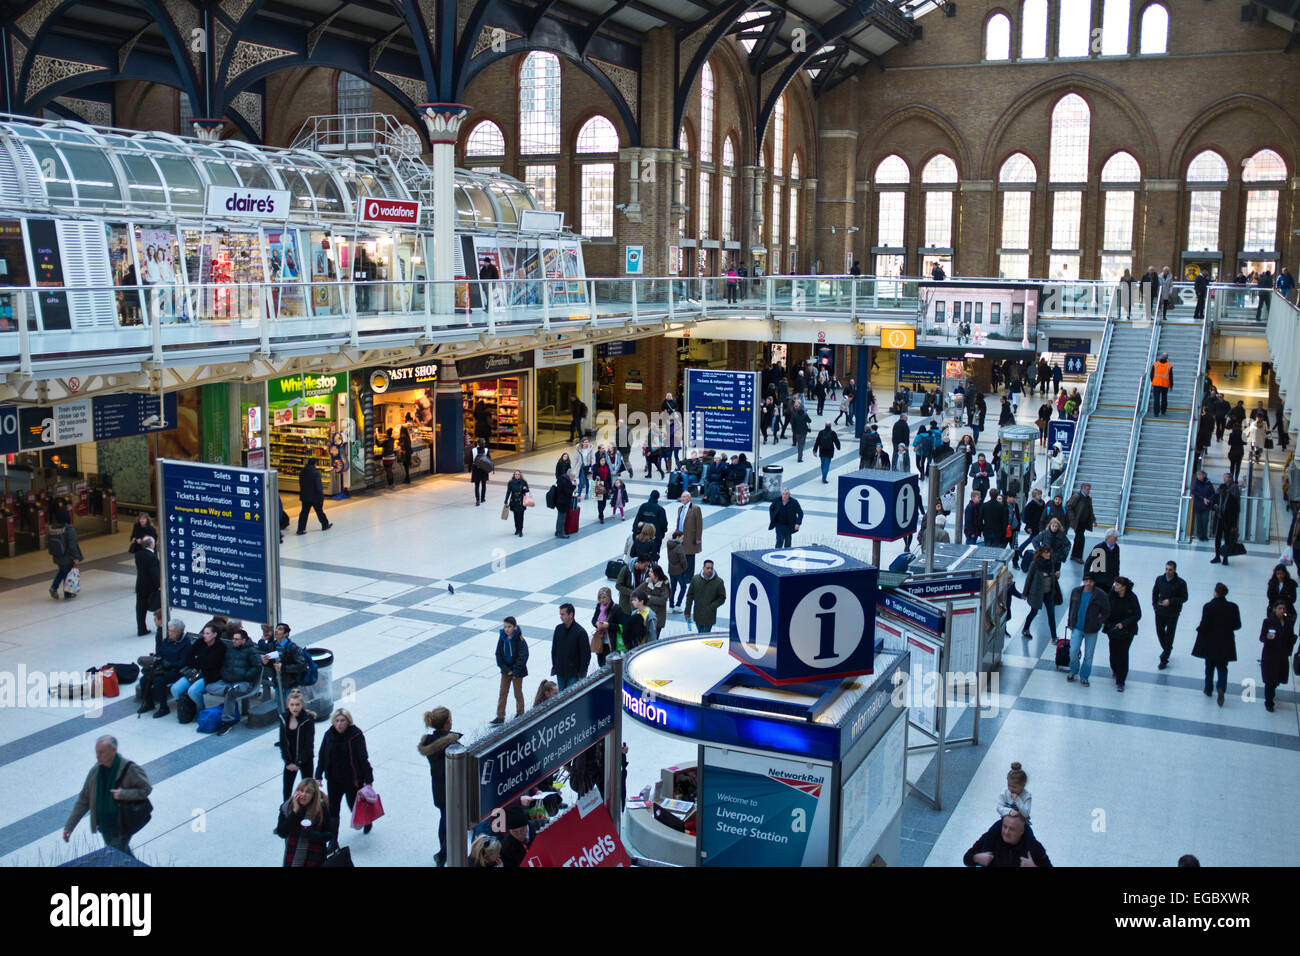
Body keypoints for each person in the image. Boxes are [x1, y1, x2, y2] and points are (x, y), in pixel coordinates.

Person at [63, 735, 153, 858]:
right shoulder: (96, 771)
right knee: (121, 853)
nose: (97, 756)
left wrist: (124, 794)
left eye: (101, 752)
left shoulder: (129, 769)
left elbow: (146, 789)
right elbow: (84, 799)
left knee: (116, 854)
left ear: (113, 751)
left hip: (122, 823)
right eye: (96, 752)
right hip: (104, 824)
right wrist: (69, 826)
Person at [317, 708, 375, 833]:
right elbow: (322, 756)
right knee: (333, 810)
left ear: (348, 721)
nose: (339, 724)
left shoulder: (355, 735)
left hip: (352, 780)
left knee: (353, 806)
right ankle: (333, 841)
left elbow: (363, 758)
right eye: (337, 721)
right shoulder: (328, 735)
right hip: (334, 780)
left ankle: (366, 821)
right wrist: (318, 775)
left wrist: (368, 778)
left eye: (343, 721)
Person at [419, 707, 462, 865]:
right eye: (450, 719)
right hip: (452, 789)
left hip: (438, 788)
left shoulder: (430, 743)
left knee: (444, 818)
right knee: (451, 821)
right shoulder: (451, 746)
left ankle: (442, 851)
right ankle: (444, 853)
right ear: (446, 723)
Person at [204, 627, 261, 734]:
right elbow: (224, 665)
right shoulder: (230, 649)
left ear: (243, 640)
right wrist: (224, 674)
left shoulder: (251, 651)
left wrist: (245, 676)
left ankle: (227, 722)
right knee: (208, 686)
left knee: (231, 693)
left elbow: (257, 667)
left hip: (243, 682)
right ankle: (226, 689)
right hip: (227, 681)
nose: (233, 641)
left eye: (236, 639)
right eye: (233, 639)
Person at [1192, 582, 1241, 707]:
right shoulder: (1233, 607)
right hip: (1226, 642)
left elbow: (1204, 625)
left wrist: (1199, 630)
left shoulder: (1208, 606)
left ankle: (1208, 689)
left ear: (1215, 592)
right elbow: (1237, 625)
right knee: (1223, 667)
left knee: (1209, 666)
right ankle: (1221, 688)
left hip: (1210, 642)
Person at [275, 778, 336, 867]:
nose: (303, 795)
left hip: (314, 859)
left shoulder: (321, 809)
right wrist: (295, 811)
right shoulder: (287, 808)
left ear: (313, 795)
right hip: (292, 858)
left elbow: (330, 834)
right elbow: (281, 832)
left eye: (308, 792)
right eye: (301, 790)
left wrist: (311, 834)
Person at [170, 623, 225, 718]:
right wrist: (198, 661)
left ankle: (200, 708)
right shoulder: (200, 642)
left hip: (209, 676)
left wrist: (198, 659)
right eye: (204, 633)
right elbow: (189, 657)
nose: (205, 636)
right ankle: (188, 705)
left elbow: (211, 663)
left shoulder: (220, 647)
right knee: (175, 689)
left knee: (193, 691)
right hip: (194, 672)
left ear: (214, 634)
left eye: (208, 633)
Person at [1066, 573, 1111, 687]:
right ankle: (1074, 670)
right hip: (1077, 627)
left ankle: (1084, 676)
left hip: (1091, 629)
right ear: (1083, 581)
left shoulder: (1100, 595)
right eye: (1086, 581)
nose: (1088, 583)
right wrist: (1070, 622)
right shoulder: (1076, 592)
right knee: (1073, 651)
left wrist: (1099, 622)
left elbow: (1106, 610)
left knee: (1089, 655)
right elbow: (1071, 607)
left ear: (1094, 582)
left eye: (1090, 581)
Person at [962, 810, 1051, 867]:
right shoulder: (989, 839)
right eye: (1004, 827)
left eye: (1012, 829)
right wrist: (976, 858)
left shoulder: (1035, 847)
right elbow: (966, 859)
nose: (1006, 832)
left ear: (1022, 831)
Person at [1103, 576, 1141, 692]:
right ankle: (1115, 669)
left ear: (1124, 587)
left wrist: (1123, 624)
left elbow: (1137, 615)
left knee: (1123, 654)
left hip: (1127, 631)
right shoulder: (1111, 595)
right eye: (1115, 584)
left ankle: (1121, 681)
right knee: (1113, 652)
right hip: (1113, 630)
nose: (1115, 586)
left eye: (1118, 585)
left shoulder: (1132, 598)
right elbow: (1105, 609)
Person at [278, 689, 316, 801]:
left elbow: (308, 745)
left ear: (302, 705)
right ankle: (287, 813)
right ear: (288, 705)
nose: (294, 708)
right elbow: (283, 742)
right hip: (290, 760)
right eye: (292, 705)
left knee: (308, 792)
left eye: (297, 705)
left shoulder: (307, 720)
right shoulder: (284, 718)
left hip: (305, 760)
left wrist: (299, 763)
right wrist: (288, 762)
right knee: (287, 791)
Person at [490, 617, 528, 724]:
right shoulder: (502, 639)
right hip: (506, 671)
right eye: (505, 627)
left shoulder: (520, 640)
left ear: (515, 627)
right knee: (503, 693)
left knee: (517, 693)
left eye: (509, 627)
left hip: (517, 672)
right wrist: (506, 669)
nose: (507, 629)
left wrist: (515, 671)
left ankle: (520, 713)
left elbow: (523, 656)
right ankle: (500, 716)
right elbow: (498, 655)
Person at [1259, 602, 1296, 713]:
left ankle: (1271, 696)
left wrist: (1289, 650)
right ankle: (1269, 702)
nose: (1282, 610)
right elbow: (1261, 637)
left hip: (1282, 655)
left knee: (1276, 679)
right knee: (1270, 680)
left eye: (1283, 608)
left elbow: (1290, 637)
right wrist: (1267, 637)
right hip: (1270, 655)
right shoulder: (1268, 622)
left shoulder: (1288, 623)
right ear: (1275, 609)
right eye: (1279, 608)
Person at [1151, 561, 1189, 670]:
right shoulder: (1159, 579)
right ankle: (1167, 649)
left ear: (1175, 570)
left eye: (1170, 569)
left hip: (1173, 613)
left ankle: (1164, 658)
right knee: (1160, 632)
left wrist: (1171, 601)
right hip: (1160, 611)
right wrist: (1155, 606)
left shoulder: (1181, 583)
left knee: (1170, 634)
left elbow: (1184, 597)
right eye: (1166, 569)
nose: (1168, 571)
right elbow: (1154, 593)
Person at [1020, 546, 1059, 642]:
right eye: (1046, 552)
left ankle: (1054, 636)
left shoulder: (1051, 563)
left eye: (1049, 552)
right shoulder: (1035, 564)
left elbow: (1051, 577)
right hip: (1037, 593)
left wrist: (1056, 576)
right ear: (1041, 553)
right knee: (1034, 612)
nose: (1048, 554)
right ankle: (1026, 628)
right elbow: (1029, 579)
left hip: (1048, 593)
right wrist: (1025, 593)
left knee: (1051, 614)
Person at [551, 603, 591, 691]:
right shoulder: (558, 629)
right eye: (560, 614)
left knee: (571, 697)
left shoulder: (580, 632)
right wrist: (555, 665)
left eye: (563, 614)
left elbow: (586, 655)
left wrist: (582, 674)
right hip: (561, 671)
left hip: (574, 674)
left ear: (571, 614)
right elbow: (554, 650)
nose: (561, 617)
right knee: (561, 697)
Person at [47, 511, 83, 600]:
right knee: (67, 574)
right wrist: (76, 557)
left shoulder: (53, 528)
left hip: (57, 556)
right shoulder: (69, 530)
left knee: (62, 572)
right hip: (68, 557)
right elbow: (72, 545)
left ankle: (54, 587)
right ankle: (68, 593)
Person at [683, 559, 726, 633]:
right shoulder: (695, 579)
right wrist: (687, 610)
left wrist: (712, 606)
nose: (710, 570)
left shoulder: (718, 582)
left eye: (711, 568)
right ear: (703, 568)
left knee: (704, 635)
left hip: (709, 616)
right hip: (698, 614)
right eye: (707, 568)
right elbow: (690, 596)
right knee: (700, 633)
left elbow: (722, 597)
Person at [132, 535, 161, 636]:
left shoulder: (138, 555)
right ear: (151, 544)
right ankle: (162, 625)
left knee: (140, 608)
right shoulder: (152, 557)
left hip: (140, 585)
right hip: (150, 587)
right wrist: (159, 585)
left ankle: (141, 629)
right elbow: (154, 573)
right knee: (159, 606)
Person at [591, 586, 626, 665]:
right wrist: (596, 624)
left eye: (604, 597)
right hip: (600, 641)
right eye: (600, 597)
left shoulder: (616, 609)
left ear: (609, 597)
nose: (602, 600)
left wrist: (609, 625)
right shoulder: (599, 607)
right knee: (601, 664)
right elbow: (593, 620)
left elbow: (621, 626)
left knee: (610, 666)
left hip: (611, 642)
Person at [296, 459, 332, 535]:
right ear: (315, 464)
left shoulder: (302, 472)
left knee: (304, 513)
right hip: (315, 496)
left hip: (305, 496)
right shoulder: (316, 473)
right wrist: (321, 495)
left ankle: (300, 529)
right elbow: (318, 486)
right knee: (319, 511)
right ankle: (325, 525)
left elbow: (301, 483)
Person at [1211, 474, 1240, 565]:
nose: (1222, 493)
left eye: (1223, 491)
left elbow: (1235, 513)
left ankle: (1225, 557)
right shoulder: (1217, 496)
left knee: (1227, 539)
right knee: (1217, 539)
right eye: (1220, 491)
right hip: (1219, 520)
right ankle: (1217, 556)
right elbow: (1212, 505)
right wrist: (1214, 507)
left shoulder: (1232, 499)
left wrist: (1234, 525)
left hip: (1228, 522)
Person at [633, 564, 670, 636]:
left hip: (658, 617)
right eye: (649, 571)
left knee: (653, 640)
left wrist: (650, 597)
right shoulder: (647, 582)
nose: (649, 573)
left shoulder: (664, 585)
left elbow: (663, 601)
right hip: (646, 615)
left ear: (657, 574)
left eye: (651, 572)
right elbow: (635, 593)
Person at [675, 491, 703, 579]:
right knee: (681, 556)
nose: (682, 498)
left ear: (689, 498)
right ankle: (683, 573)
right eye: (682, 497)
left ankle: (689, 576)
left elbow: (699, 524)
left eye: (684, 497)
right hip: (680, 536)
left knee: (690, 556)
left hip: (690, 537)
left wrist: (698, 538)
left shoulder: (696, 508)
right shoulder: (680, 508)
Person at [1065, 482, 1095, 563]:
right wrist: (1072, 518)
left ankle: (1074, 555)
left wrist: (1093, 520)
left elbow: (1090, 510)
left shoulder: (1088, 498)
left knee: (1079, 538)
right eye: (1087, 489)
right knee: (1080, 538)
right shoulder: (1077, 496)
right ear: (1083, 489)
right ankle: (1077, 556)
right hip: (1078, 521)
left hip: (1084, 522)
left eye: (1089, 489)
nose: (1089, 491)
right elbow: (1068, 506)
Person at [1267, 563, 1297, 629]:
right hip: (1274, 609)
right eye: (1278, 573)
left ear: (1285, 574)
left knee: (1287, 626)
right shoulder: (1272, 583)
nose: (1280, 576)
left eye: (1282, 573)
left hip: (1287, 610)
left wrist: (1283, 600)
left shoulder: (1291, 584)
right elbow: (1270, 595)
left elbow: (1293, 598)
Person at [503, 469, 530, 536]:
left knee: (521, 516)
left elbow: (527, 490)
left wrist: (525, 489)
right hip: (514, 501)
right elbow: (508, 492)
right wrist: (506, 500)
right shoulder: (510, 482)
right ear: (514, 475)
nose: (517, 475)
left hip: (521, 501)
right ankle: (517, 529)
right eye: (516, 474)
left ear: (520, 475)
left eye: (518, 474)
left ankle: (520, 530)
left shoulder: (523, 482)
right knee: (515, 516)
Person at [1190, 470, 1215, 541]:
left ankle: (1205, 535)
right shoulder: (1196, 483)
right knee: (1199, 521)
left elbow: (1213, 493)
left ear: (1204, 475)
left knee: (1205, 521)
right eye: (1198, 475)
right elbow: (1193, 491)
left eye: (1200, 475)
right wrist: (1202, 498)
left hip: (1206, 505)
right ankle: (1200, 535)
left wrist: (1208, 499)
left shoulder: (1208, 483)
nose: (1199, 476)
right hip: (1198, 505)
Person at [553, 468, 575, 539]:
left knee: (560, 517)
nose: (573, 478)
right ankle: (560, 532)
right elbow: (568, 492)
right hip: (562, 502)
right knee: (562, 518)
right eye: (573, 477)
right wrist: (574, 486)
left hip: (560, 501)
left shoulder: (562, 478)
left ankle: (558, 531)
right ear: (569, 475)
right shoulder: (565, 481)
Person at [1150, 352, 1173, 417]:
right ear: (1167, 358)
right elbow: (1171, 376)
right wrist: (1171, 386)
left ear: (1161, 356)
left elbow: (1151, 374)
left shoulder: (1155, 364)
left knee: (1156, 399)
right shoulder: (1169, 366)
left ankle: (1156, 413)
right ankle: (1163, 411)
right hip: (1165, 385)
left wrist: (1153, 381)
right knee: (1164, 399)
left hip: (1156, 384)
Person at [469, 438, 492, 505]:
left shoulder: (473, 450)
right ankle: (483, 498)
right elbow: (489, 460)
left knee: (477, 485)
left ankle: (477, 500)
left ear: (477, 444)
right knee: (484, 485)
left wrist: (470, 469)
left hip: (476, 469)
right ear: (484, 444)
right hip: (484, 470)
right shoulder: (486, 450)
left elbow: (470, 461)